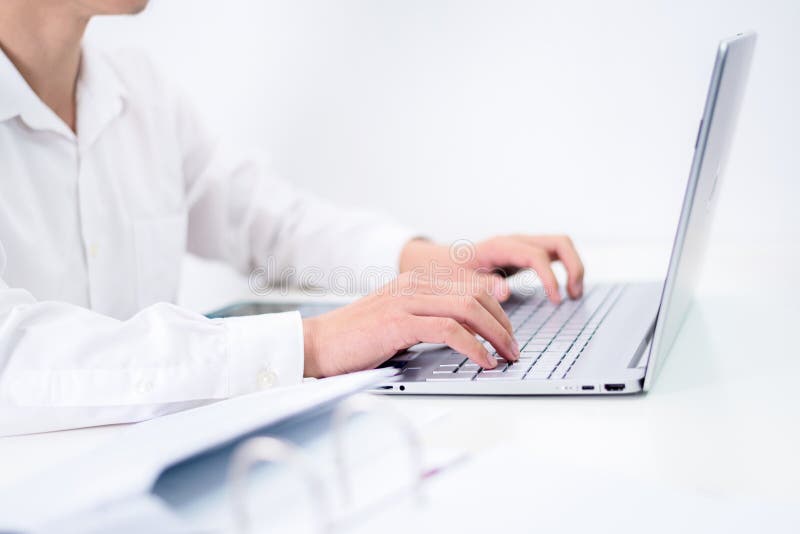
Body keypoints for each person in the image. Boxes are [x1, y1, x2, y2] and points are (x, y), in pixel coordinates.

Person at [0, 0, 584, 436]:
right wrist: (313, 344)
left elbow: (268, 223)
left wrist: (440, 264)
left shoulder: (137, 88)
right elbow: (13, 358)